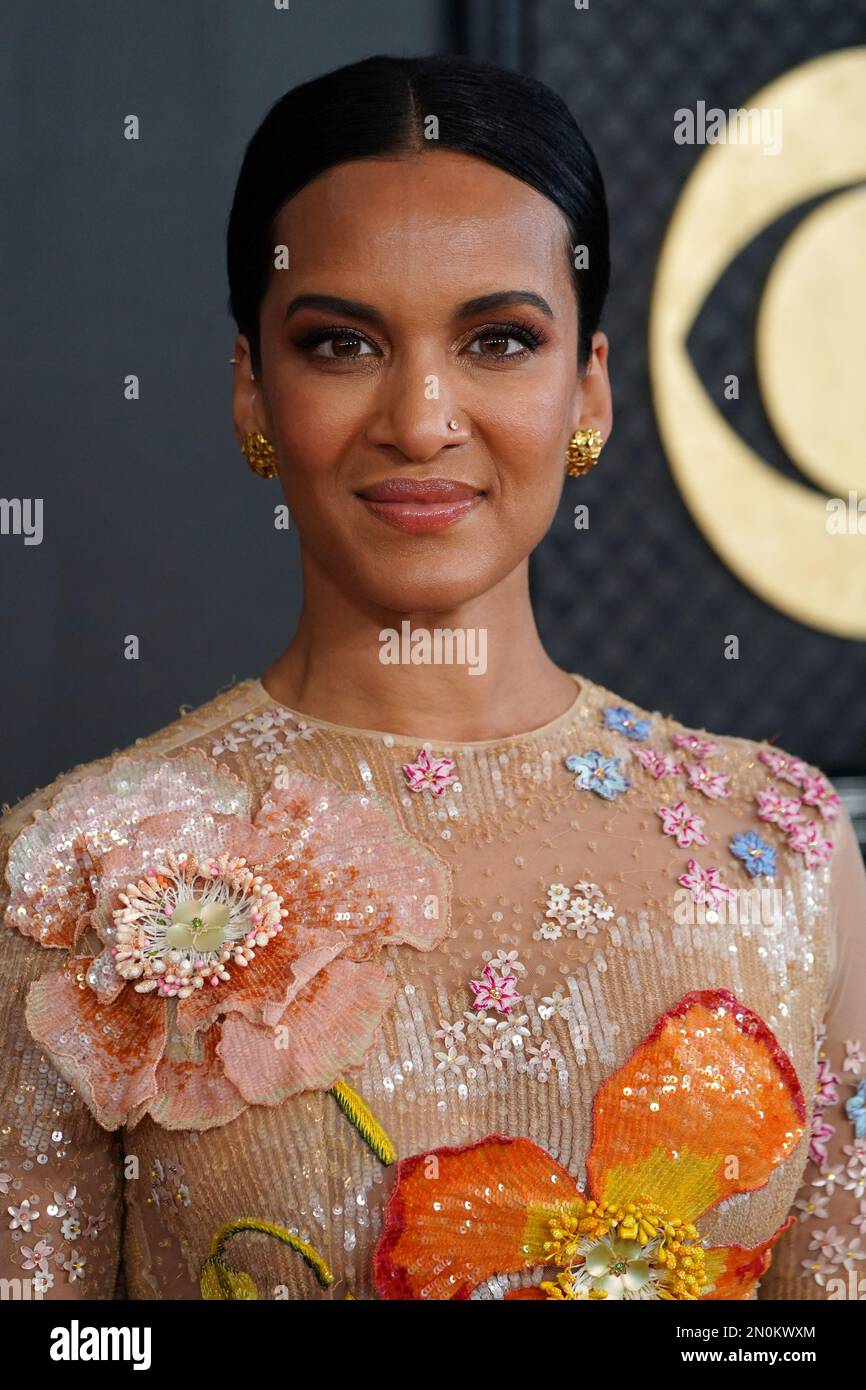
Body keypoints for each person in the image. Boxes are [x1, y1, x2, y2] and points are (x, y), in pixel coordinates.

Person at [1, 53, 864, 1302]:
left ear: (590, 388)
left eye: (498, 340)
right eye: (341, 342)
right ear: (253, 387)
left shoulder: (784, 855)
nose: (419, 415)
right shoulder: (71, 882)